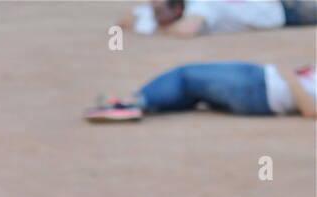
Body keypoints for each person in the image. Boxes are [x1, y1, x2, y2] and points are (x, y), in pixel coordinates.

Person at [85, 62, 316, 121]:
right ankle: (142, 105)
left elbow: (310, 109)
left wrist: (288, 74)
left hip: (259, 88)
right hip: (259, 84)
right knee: (193, 93)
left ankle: (129, 104)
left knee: (185, 76)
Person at [117, 1, 315, 38]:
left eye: (158, 11)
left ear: (176, 9)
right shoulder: (161, 10)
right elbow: (125, 20)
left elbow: (185, 31)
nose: (153, 14)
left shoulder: (201, 5)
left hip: (286, 11)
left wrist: (153, 29)